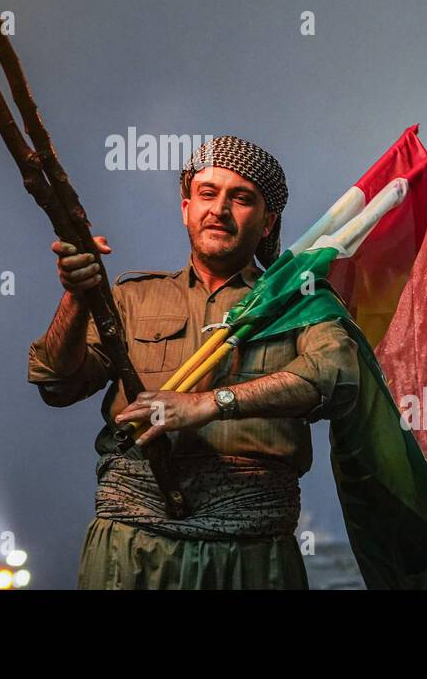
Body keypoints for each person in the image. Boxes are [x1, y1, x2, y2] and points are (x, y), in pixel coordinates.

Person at [29, 135, 361, 589]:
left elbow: (336, 376)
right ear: (186, 208)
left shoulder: (301, 302)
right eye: (207, 194)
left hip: (252, 552)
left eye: (241, 198)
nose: (219, 210)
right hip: (133, 546)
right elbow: (58, 384)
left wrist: (211, 402)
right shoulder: (130, 297)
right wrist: (77, 296)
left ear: (268, 223)